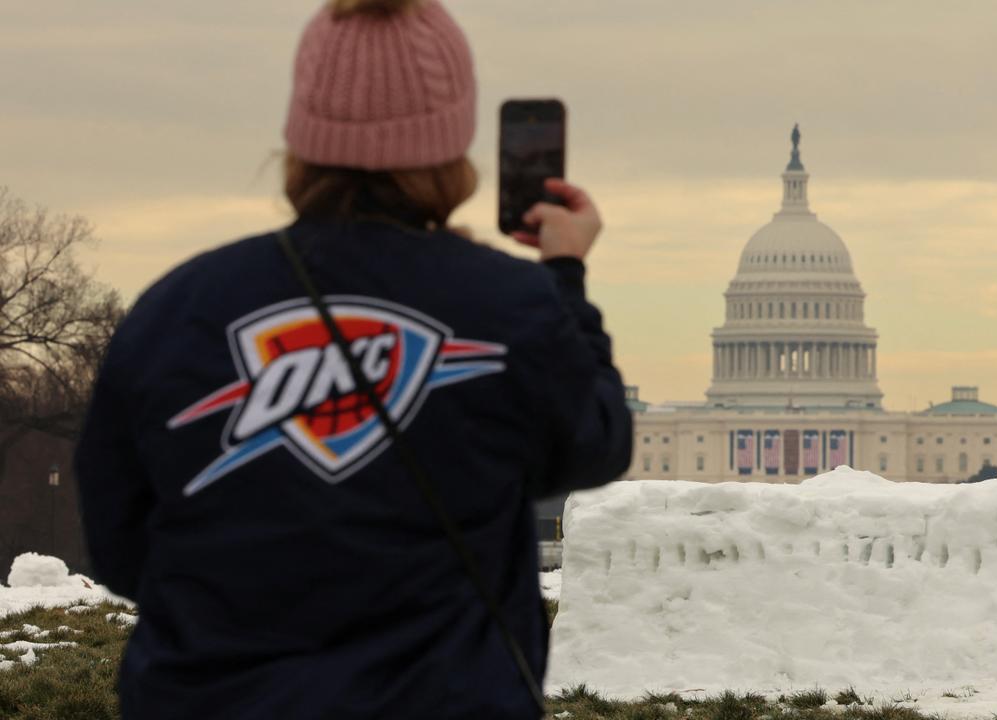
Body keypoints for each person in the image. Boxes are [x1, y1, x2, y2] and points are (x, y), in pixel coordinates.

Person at [73, 0, 632, 717]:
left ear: (304, 138)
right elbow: (596, 444)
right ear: (450, 145)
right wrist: (564, 277)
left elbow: (121, 548)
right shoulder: (508, 307)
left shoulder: (174, 311)